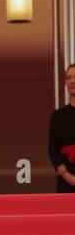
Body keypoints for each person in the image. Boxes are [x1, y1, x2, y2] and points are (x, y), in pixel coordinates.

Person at [48, 63, 75, 193]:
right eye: (68, 78)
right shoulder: (58, 115)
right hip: (66, 182)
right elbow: (53, 149)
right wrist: (66, 175)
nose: (72, 81)